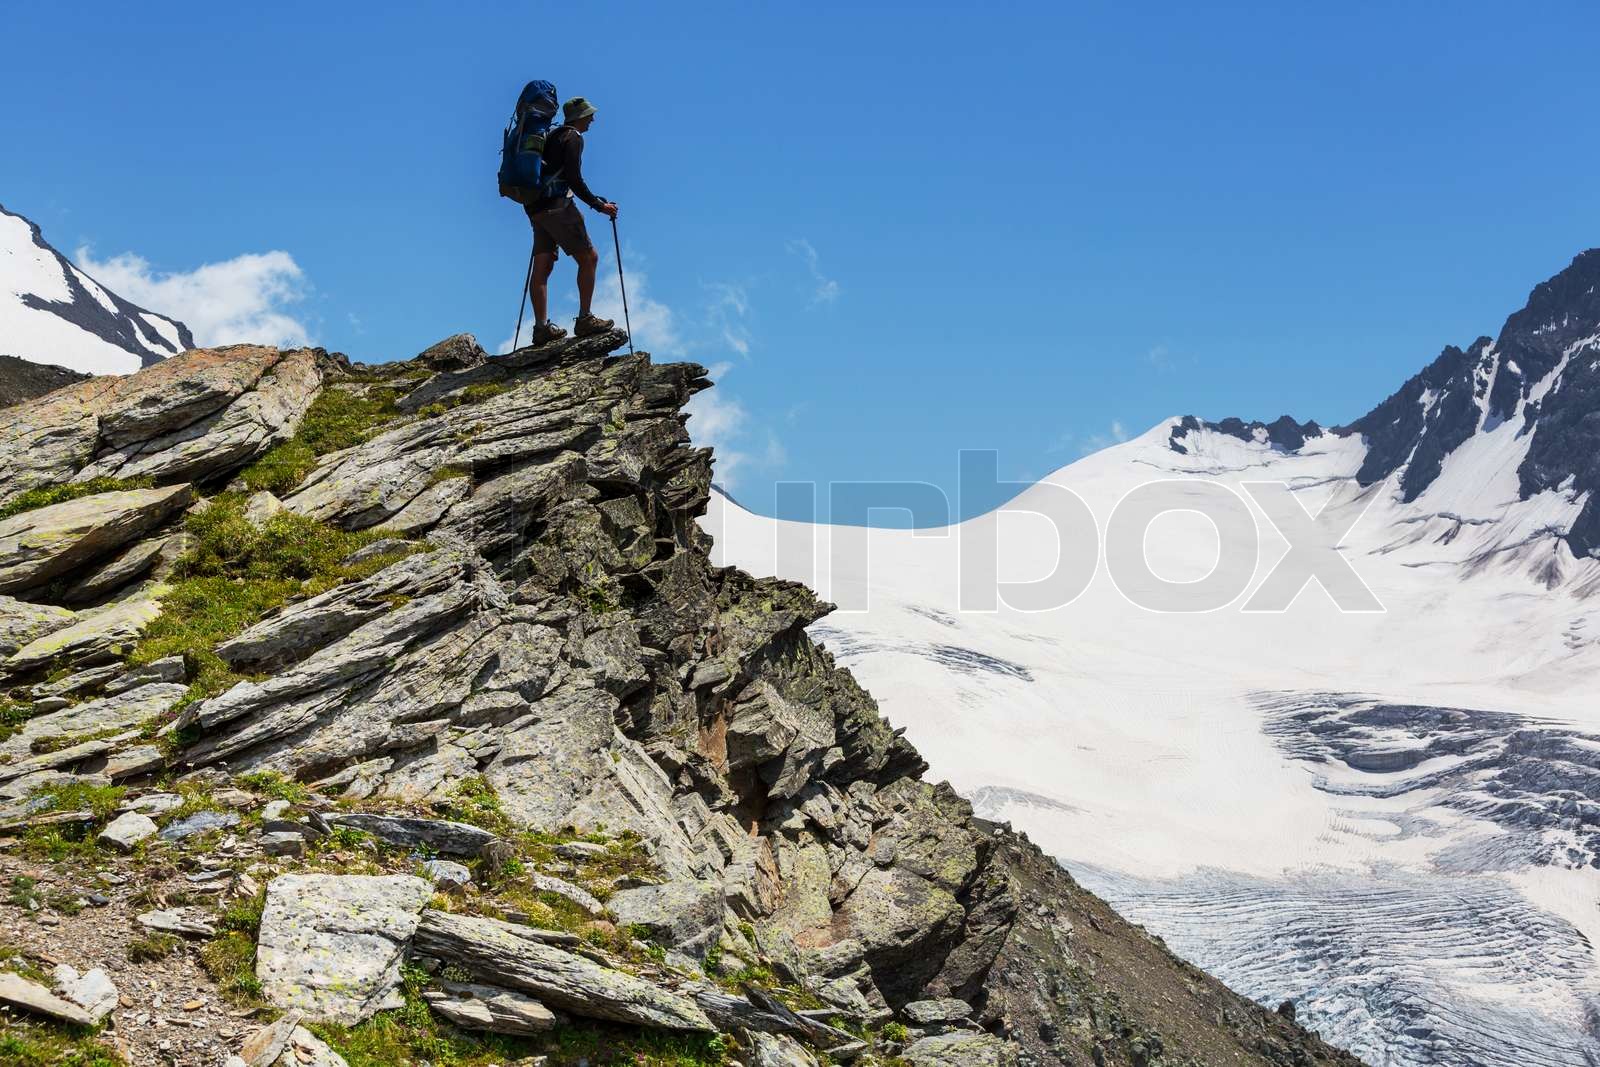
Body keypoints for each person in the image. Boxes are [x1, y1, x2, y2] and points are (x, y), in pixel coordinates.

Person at [524, 97, 619, 346]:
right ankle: (585, 319)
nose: (592, 119)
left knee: (542, 267)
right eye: (589, 115)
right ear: (579, 117)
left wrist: (595, 199)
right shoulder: (573, 137)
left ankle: (541, 328)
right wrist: (600, 206)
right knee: (589, 258)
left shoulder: (552, 135)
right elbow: (574, 179)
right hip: (559, 207)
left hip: (536, 208)